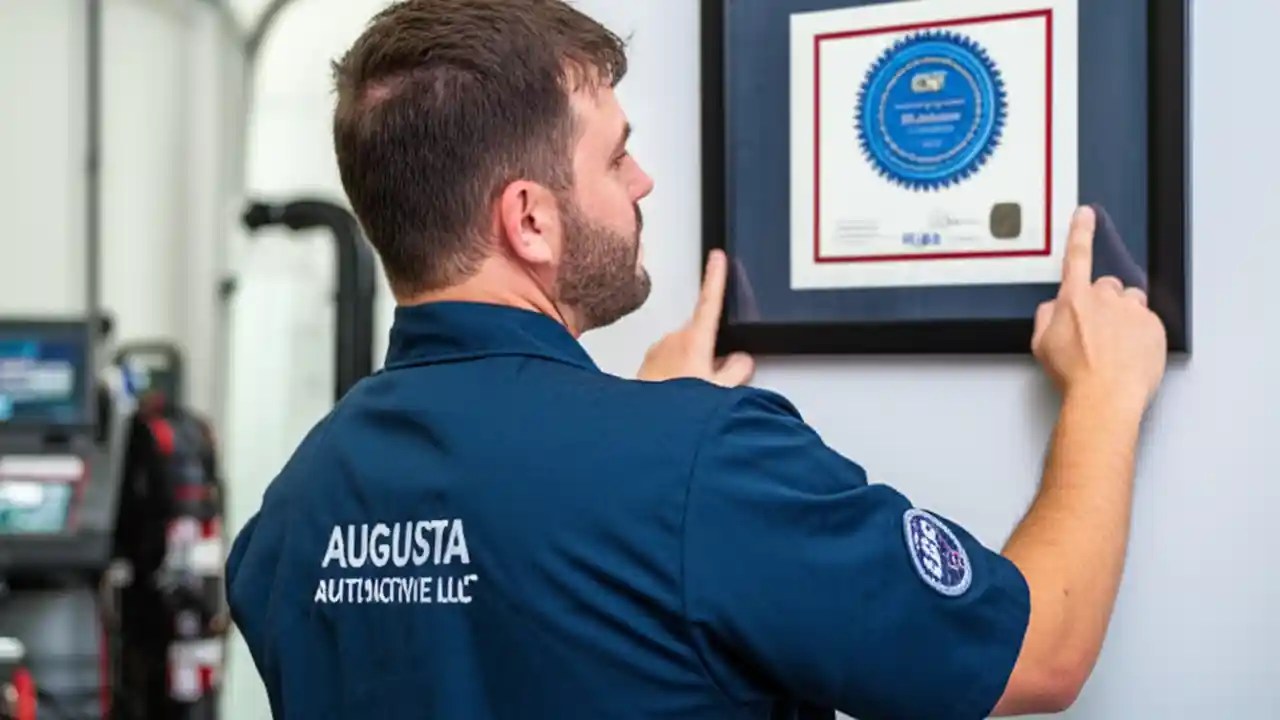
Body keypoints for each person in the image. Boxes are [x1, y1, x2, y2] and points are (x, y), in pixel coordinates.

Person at [224, 1, 1168, 718]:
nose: (644, 182)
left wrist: (646, 433)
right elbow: (1036, 656)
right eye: (615, 159)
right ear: (529, 219)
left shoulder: (291, 513)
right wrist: (1103, 394)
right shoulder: (699, 466)